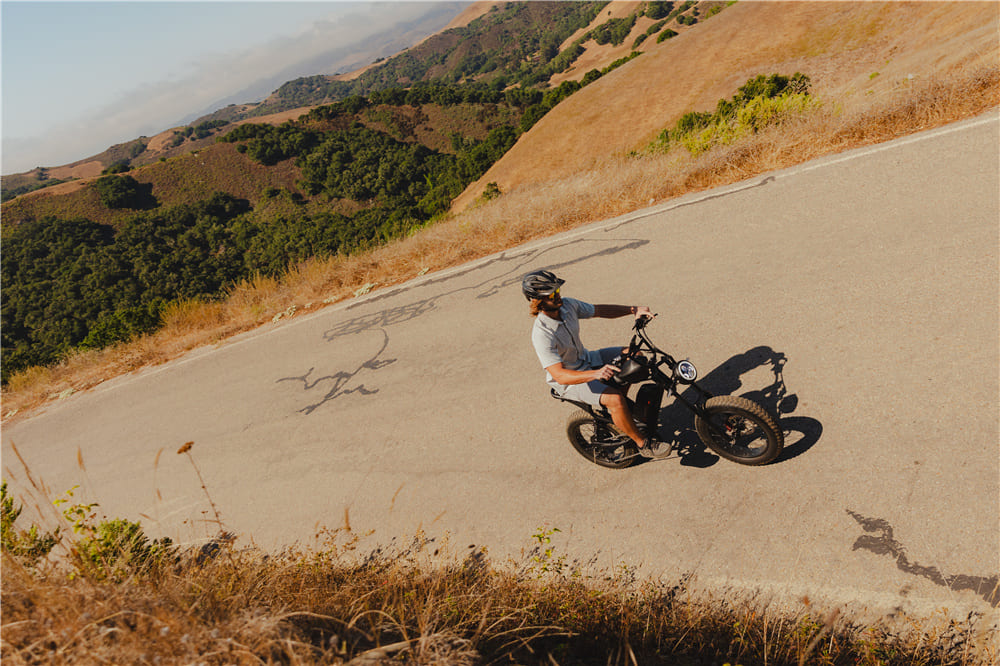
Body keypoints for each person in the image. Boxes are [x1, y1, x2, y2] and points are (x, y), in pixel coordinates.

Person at [523, 269, 673, 459]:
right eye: (552, 294)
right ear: (538, 300)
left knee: (634, 355)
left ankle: (619, 412)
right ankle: (643, 444)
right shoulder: (542, 334)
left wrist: (633, 310)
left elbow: (599, 310)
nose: (558, 295)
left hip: (588, 359)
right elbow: (559, 375)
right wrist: (595, 374)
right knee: (615, 399)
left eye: (558, 290)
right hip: (569, 380)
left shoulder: (568, 306)